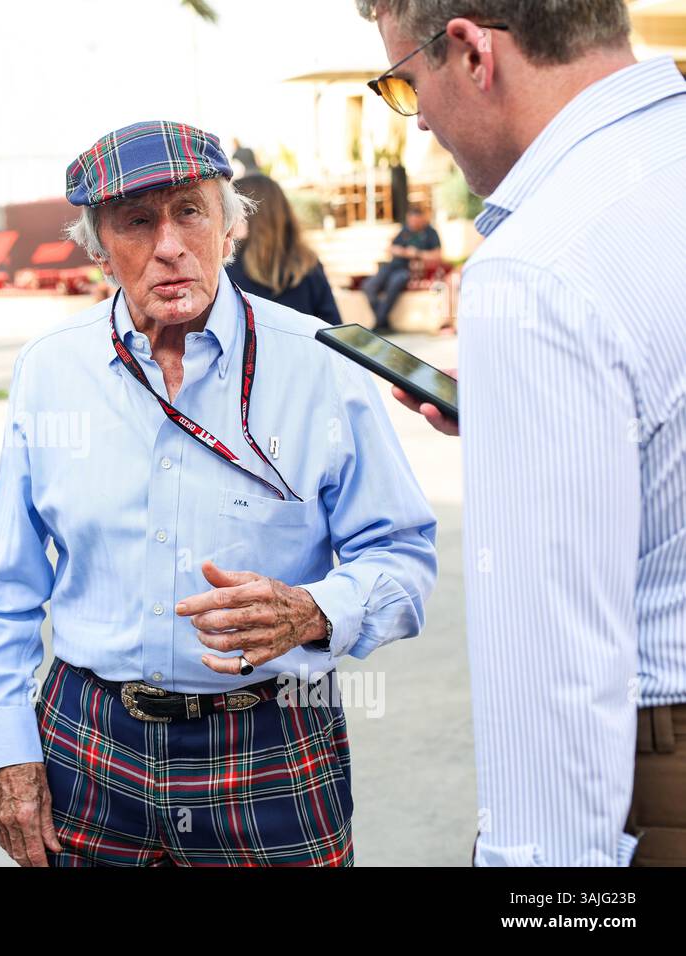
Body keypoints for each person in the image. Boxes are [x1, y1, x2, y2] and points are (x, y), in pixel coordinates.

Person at [0, 120, 438, 867]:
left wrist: (316, 610)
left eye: (190, 211)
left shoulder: (320, 364)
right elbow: (6, 591)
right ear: (98, 244)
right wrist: (10, 757)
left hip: (272, 737)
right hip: (87, 745)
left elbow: (403, 554)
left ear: (229, 226)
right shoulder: (51, 371)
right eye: (136, 221)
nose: (169, 244)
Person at [358, 0, 686, 866]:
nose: (418, 115)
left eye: (405, 80)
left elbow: (554, 683)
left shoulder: (541, 267)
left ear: (470, 51)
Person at [226, 173, 341, 325]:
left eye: (234, 208)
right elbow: (334, 328)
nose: (229, 217)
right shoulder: (308, 263)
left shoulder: (229, 270)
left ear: (250, 213)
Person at [360, 206, 440, 332]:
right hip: (392, 265)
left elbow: (437, 255)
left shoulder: (431, 233)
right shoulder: (405, 230)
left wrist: (417, 253)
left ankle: (380, 322)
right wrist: (402, 251)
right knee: (368, 286)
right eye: (411, 221)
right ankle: (382, 322)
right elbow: (390, 248)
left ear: (422, 219)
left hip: (410, 270)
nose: (412, 224)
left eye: (415, 221)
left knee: (394, 283)